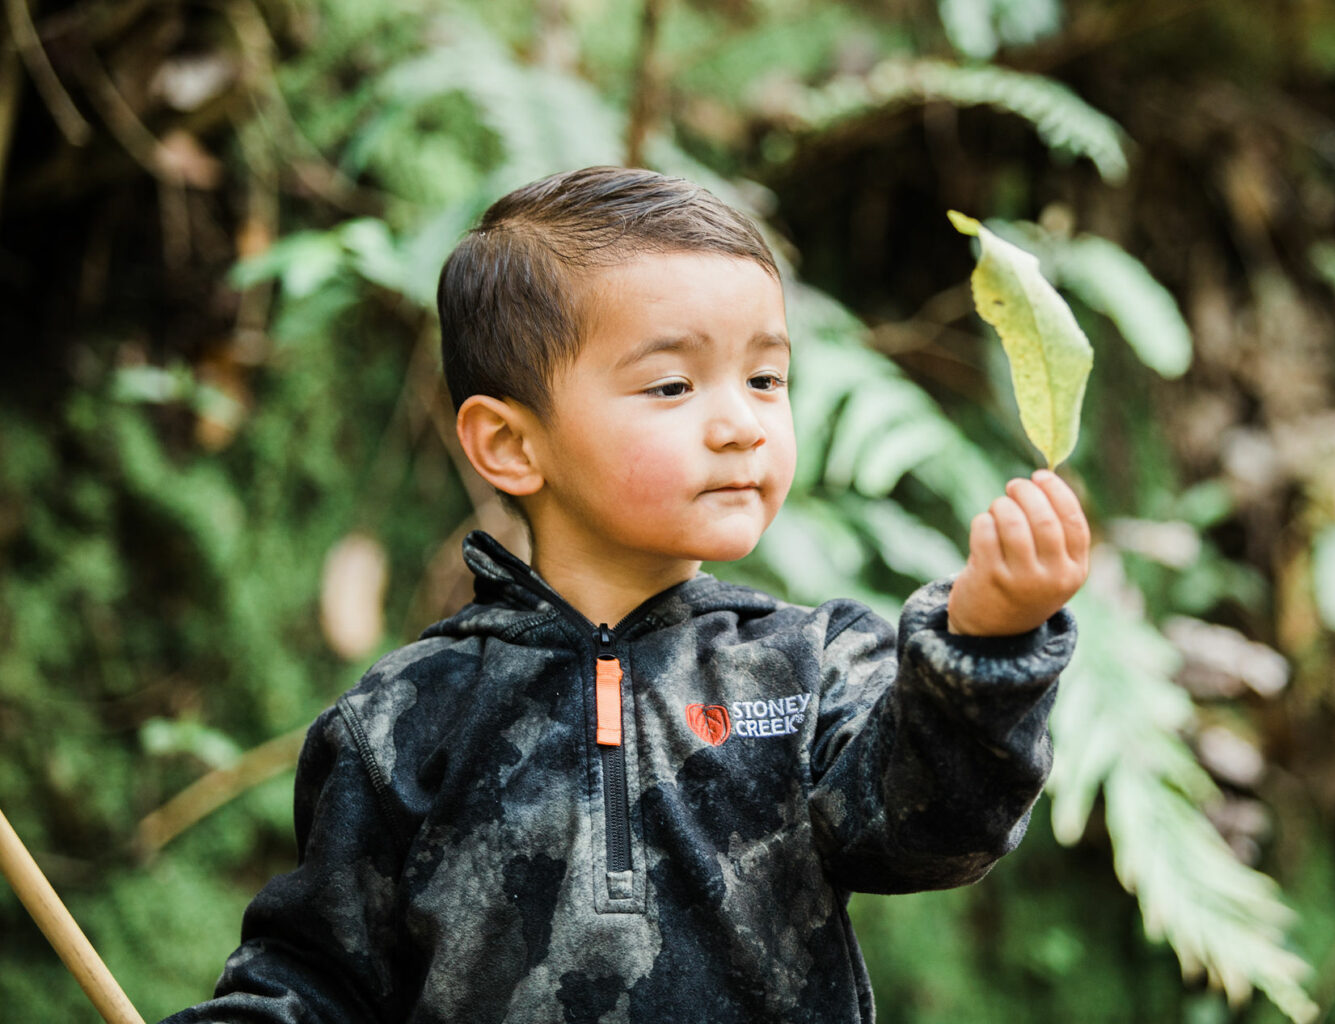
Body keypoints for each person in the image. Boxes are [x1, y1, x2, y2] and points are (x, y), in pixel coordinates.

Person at [162, 166, 1090, 1024]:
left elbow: (937, 829)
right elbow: (315, 979)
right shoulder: (406, 723)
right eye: (674, 384)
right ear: (511, 446)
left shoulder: (809, 671)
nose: (742, 425)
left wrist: (985, 647)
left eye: (767, 378)